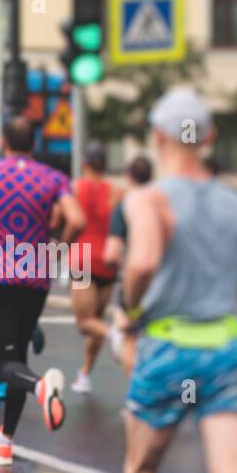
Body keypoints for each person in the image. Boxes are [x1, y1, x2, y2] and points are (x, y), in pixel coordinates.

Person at [107, 88, 237, 473]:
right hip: (228, 346)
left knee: (141, 471)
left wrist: (128, 305)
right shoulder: (234, 200)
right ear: (207, 138)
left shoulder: (148, 199)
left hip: (167, 347)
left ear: (159, 139)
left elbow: (141, 260)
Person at [0, 117, 85, 466]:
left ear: (4, 141)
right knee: (18, 354)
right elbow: (77, 219)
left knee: (7, 360)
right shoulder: (54, 178)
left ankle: (40, 387)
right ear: (33, 143)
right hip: (37, 273)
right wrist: (58, 248)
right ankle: (5, 440)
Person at [68, 143, 122, 394]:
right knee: (96, 322)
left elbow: (72, 223)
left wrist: (63, 243)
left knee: (84, 323)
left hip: (82, 259)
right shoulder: (117, 192)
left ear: (85, 163)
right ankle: (84, 374)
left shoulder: (75, 188)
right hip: (108, 262)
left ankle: (116, 335)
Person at [104, 155, 154, 375]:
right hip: (162, 281)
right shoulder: (162, 203)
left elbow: (111, 254)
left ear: (129, 176)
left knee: (129, 337)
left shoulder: (124, 205)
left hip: (132, 279)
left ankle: (137, 398)